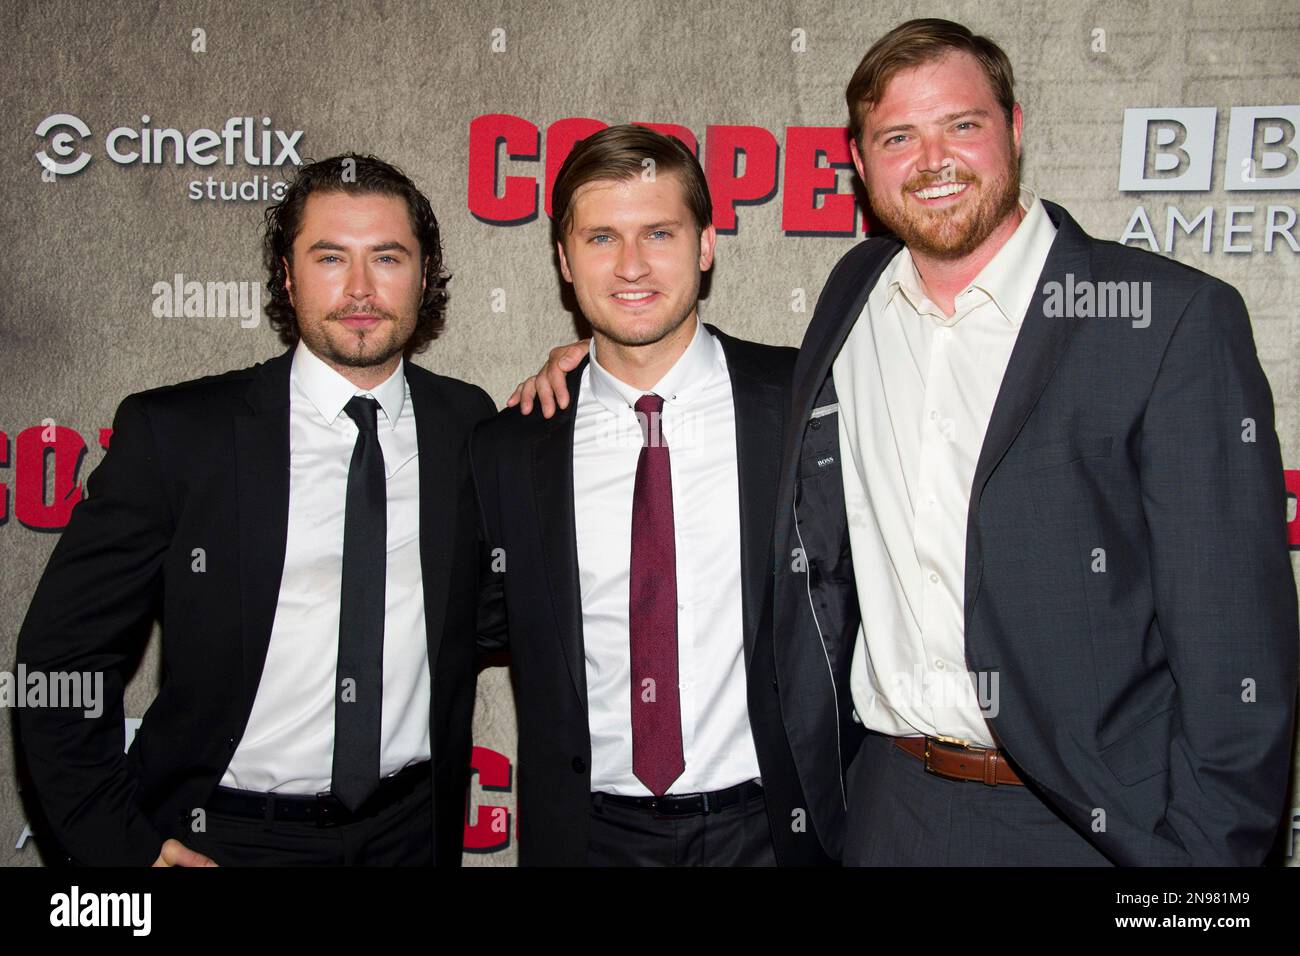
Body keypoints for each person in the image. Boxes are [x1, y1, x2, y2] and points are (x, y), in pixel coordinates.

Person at [510, 20, 1298, 866]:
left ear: (1016, 129)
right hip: (888, 806)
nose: (933, 161)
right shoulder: (856, 296)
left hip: (1090, 822)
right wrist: (595, 360)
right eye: (897, 137)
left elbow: (1235, 650)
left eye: (961, 125)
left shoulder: (1164, 318)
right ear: (858, 160)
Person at [16, 154, 495, 866]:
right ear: (286, 273)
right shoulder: (178, 434)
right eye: (330, 257)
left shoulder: (468, 424)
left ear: (423, 277)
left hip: (410, 836)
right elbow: (62, 661)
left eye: (387, 258)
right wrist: (121, 847)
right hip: (223, 838)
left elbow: (512, 604)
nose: (360, 288)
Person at [474, 125, 829, 866]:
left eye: (658, 232)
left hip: (774, 831)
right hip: (588, 837)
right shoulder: (511, 447)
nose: (631, 266)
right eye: (601, 238)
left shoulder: (808, 402)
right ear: (564, 261)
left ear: (705, 246)